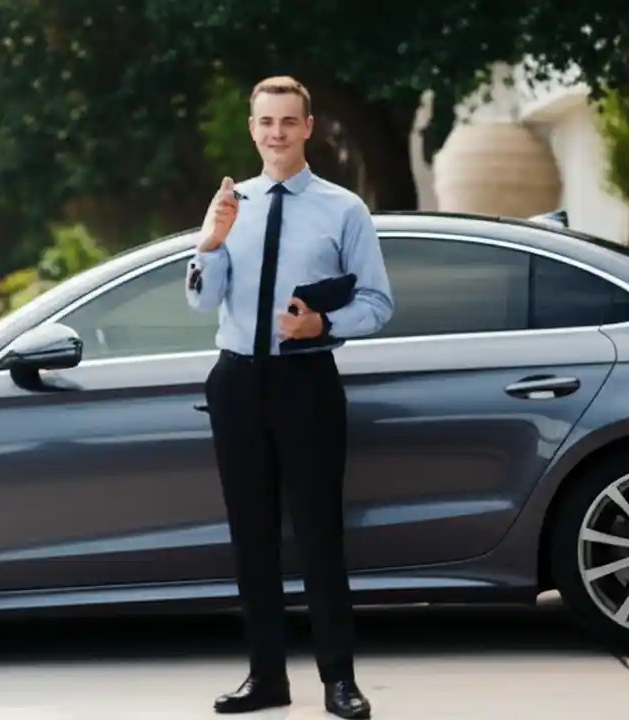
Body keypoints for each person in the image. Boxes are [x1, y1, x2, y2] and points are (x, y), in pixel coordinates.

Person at [184, 75, 394, 719]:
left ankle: (339, 680)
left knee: (319, 535)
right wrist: (210, 245)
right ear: (253, 129)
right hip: (237, 381)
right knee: (251, 537)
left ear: (309, 129)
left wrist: (322, 326)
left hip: (306, 382)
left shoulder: (343, 210)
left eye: (287, 121)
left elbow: (379, 303)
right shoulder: (229, 205)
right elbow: (200, 300)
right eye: (265, 122)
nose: (275, 132)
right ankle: (266, 679)